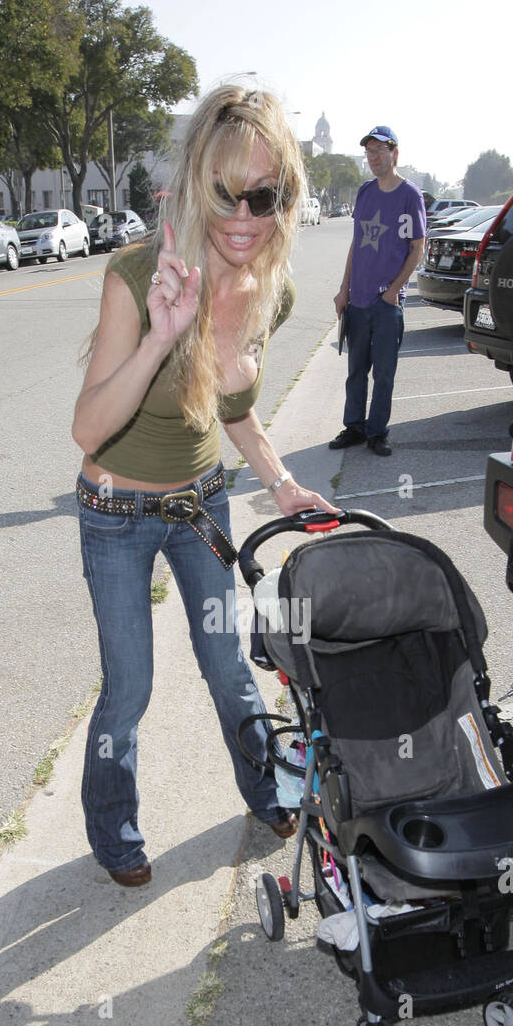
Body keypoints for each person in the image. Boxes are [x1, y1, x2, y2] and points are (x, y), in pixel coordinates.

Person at [71, 82, 337, 887]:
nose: (244, 214)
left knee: (229, 665)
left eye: (265, 193)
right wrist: (161, 338)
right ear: (197, 181)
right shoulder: (136, 273)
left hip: (199, 506)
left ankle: (265, 787)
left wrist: (284, 485)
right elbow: (89, 427)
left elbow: (239, 413)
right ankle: (113, 825)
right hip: (115, 512)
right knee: (131, 687)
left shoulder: (272, 292)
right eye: (227, 190)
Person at [330, 125, 426, 457]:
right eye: (369, 153)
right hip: (357, 300)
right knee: (356, 370)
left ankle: (377, 432)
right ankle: (354, 426)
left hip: (387, 303)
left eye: (379, 152)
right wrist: (344, 290)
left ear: (394, 154)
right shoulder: (365, 192)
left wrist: (394, 291)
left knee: (384, 372)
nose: (373, 158)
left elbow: (417, 248)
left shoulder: (409, 195)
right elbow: (356, 244)